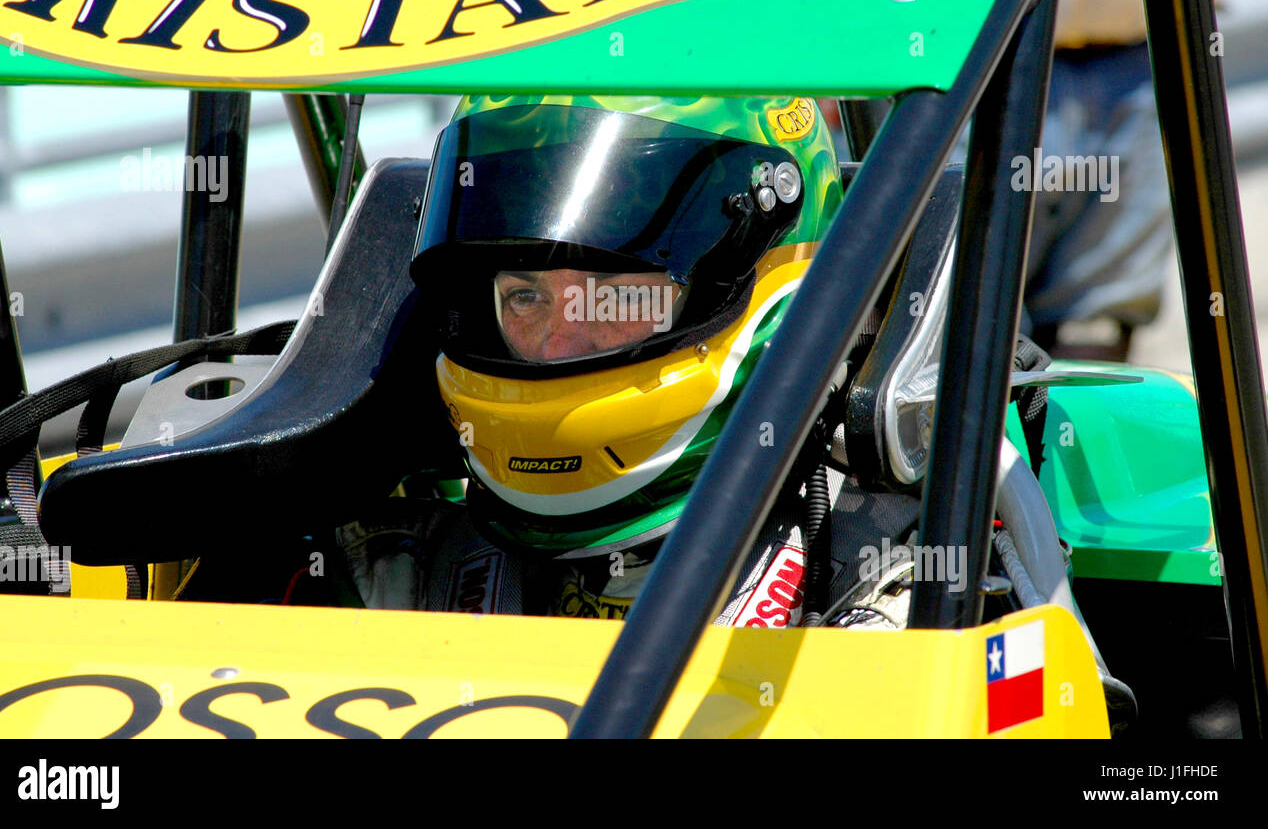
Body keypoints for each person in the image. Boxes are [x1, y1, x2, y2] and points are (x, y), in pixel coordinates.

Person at [332, 94, 920, 626]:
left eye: (609, 292)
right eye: (526, 297)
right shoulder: (396, 582)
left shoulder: (902, 595)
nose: (557, 342)